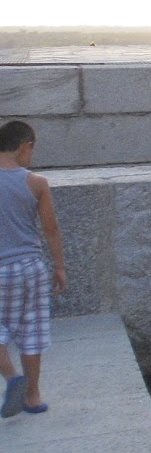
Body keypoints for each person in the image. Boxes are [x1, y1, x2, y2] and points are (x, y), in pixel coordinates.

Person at [1, 120, 67, 417]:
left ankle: (13, 378)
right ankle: (33, 397)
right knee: (32, 329)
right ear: (25, 146)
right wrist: (60, 267)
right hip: (32, 268)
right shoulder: (36, 183)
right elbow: (50, 228)